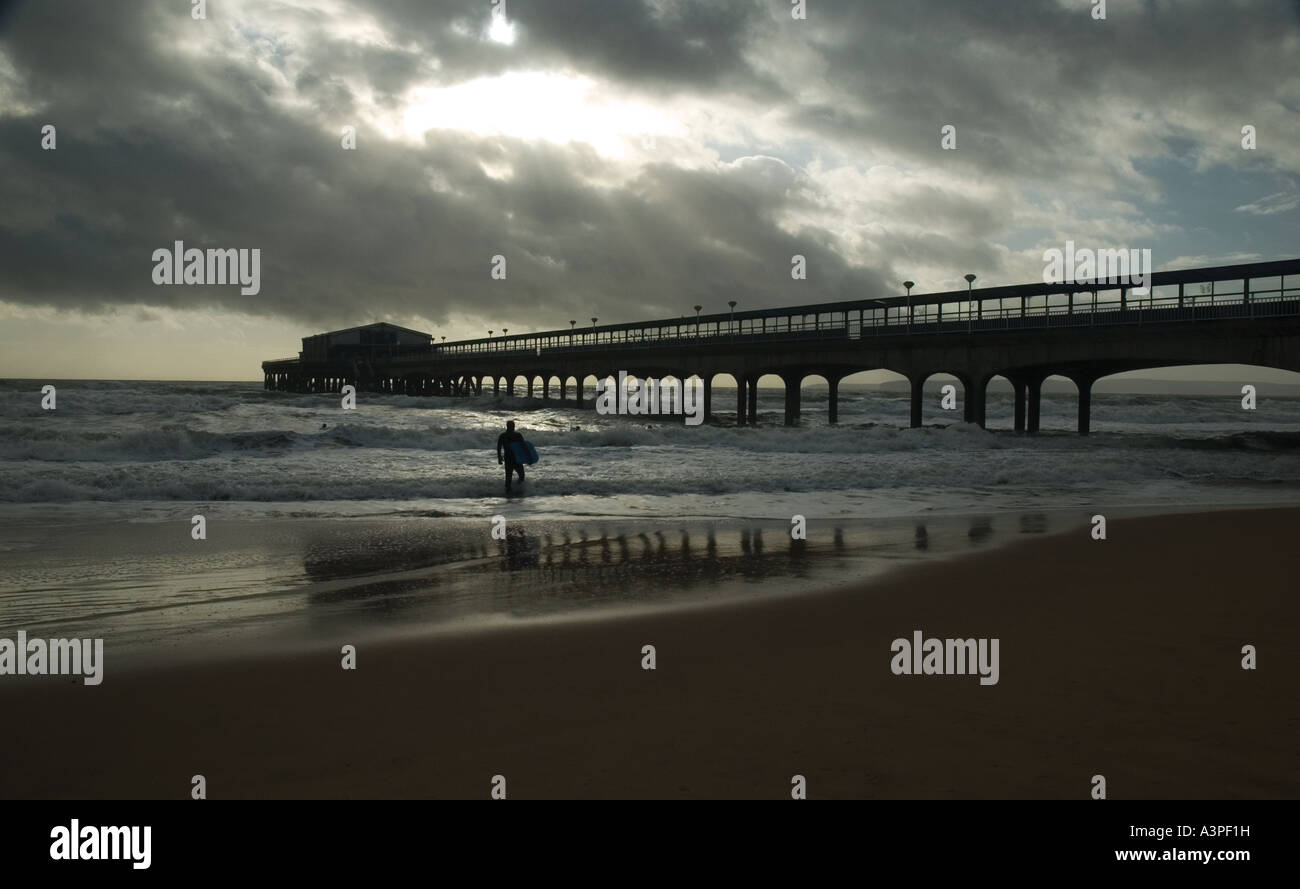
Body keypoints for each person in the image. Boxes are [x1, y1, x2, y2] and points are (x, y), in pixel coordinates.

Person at [496, 420, 525, 491]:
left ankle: (517, 489)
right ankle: (508, 493)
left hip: (517, 458)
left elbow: (524, 447)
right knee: (508, 477)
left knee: (522, 476)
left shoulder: (518, 435)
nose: (512, 427)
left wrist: (527, 458)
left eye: (513, 426)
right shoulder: (503, 436)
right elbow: (499, 447)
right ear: (508, 426)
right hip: (508, 458)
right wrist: (499, 457)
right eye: (511, 426)